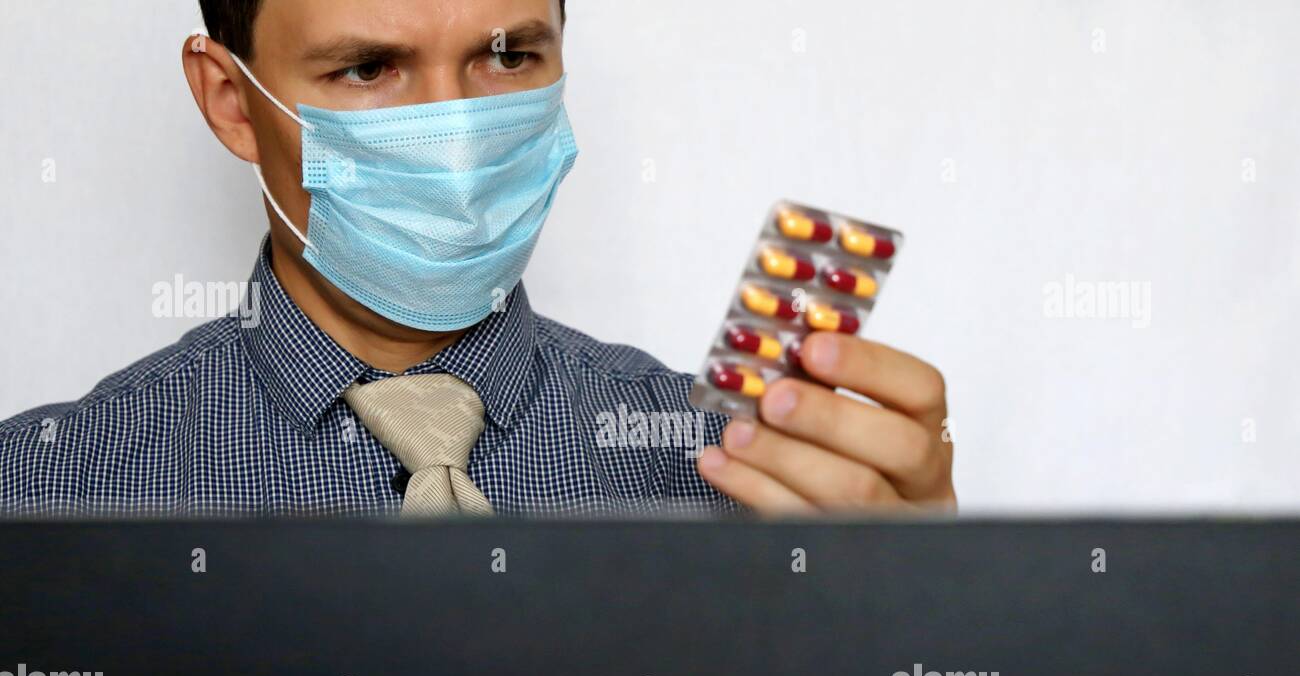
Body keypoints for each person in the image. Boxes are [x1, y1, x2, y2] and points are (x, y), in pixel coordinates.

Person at [0, 0, 956, 517]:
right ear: (229, 99)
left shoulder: (739, 477)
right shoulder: (46, 497)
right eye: (368, 69)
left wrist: (912, 630)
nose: (454, 139)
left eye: (507, 60)